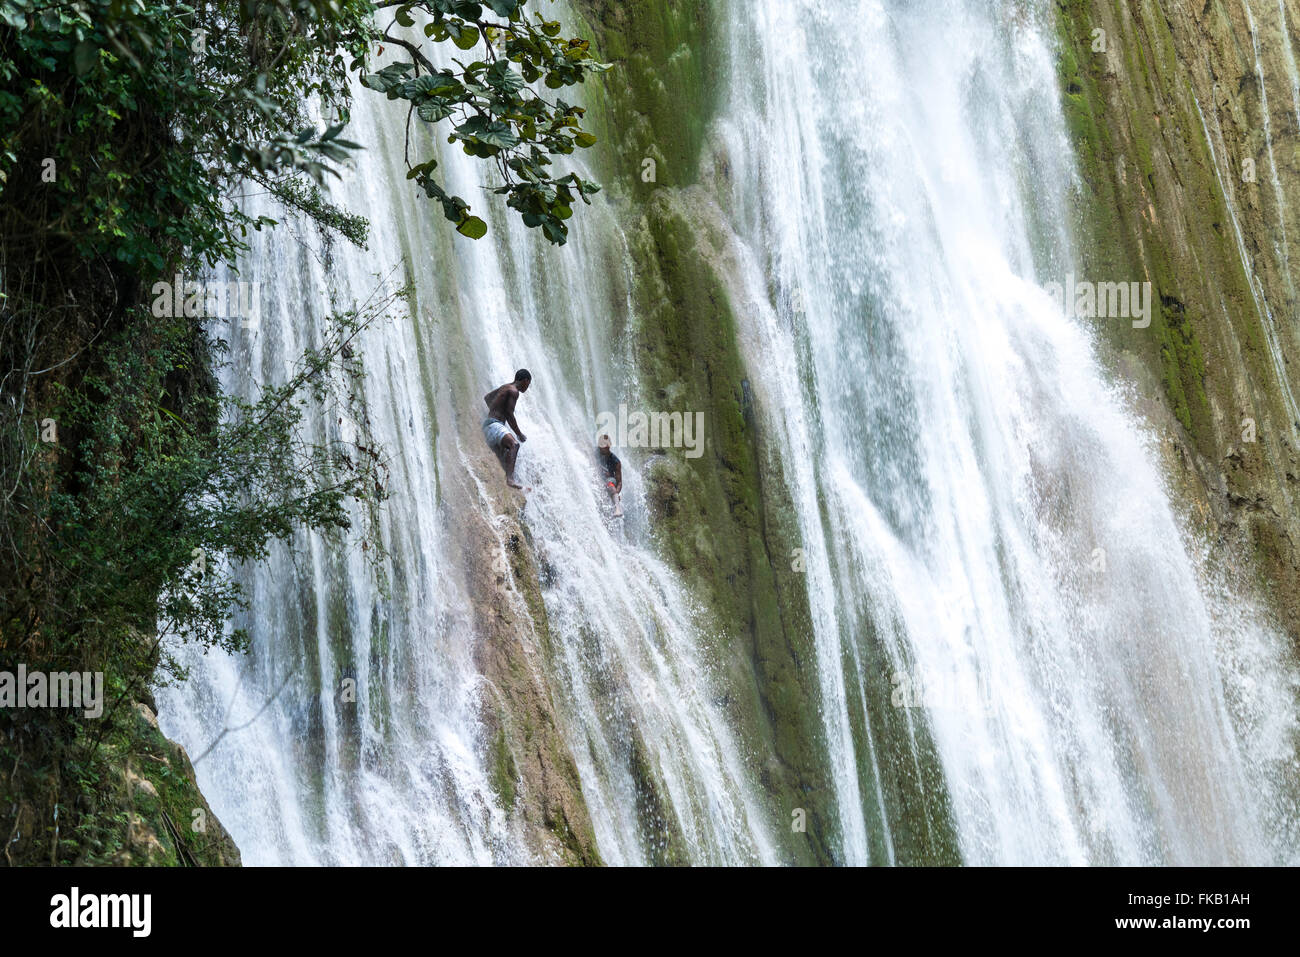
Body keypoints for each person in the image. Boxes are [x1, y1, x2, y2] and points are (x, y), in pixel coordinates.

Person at [483, 369, 531, 489]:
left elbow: (487, 397)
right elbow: (510, 414)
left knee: (506, 451)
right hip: (494, 425)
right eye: (528, 384)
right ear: (525, 381)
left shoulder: (505, 387)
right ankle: (510, 479)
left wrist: (495, 411)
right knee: (514, 445)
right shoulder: (514, 391)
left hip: (489, 425)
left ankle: (509, 476)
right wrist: (519, 434)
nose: (527, 387)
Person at [597, 433, 623, 517]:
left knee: (610, 483)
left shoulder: (616, 461)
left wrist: (616, 493)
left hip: (610, 480)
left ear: (608, 446)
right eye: (600, 445)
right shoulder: (596, 452)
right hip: (599, 477)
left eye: (603, 446)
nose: (601, 448)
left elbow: (619, 482)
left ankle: (618, 509)